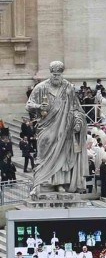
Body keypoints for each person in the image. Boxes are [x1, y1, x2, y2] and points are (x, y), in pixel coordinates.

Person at [27, 61, 88, 195]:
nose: (56, 77)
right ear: (51, 74)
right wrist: (39, 107)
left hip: (63, 128)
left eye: (58, 74)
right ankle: (40, 183)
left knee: (61, 154)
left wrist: (78, 121)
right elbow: (29, 104)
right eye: (54, 74)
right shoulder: (41, 87)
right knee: (43, 154)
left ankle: (59, 184)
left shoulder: (68, 88)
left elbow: (76, 108)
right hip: (46, 127)